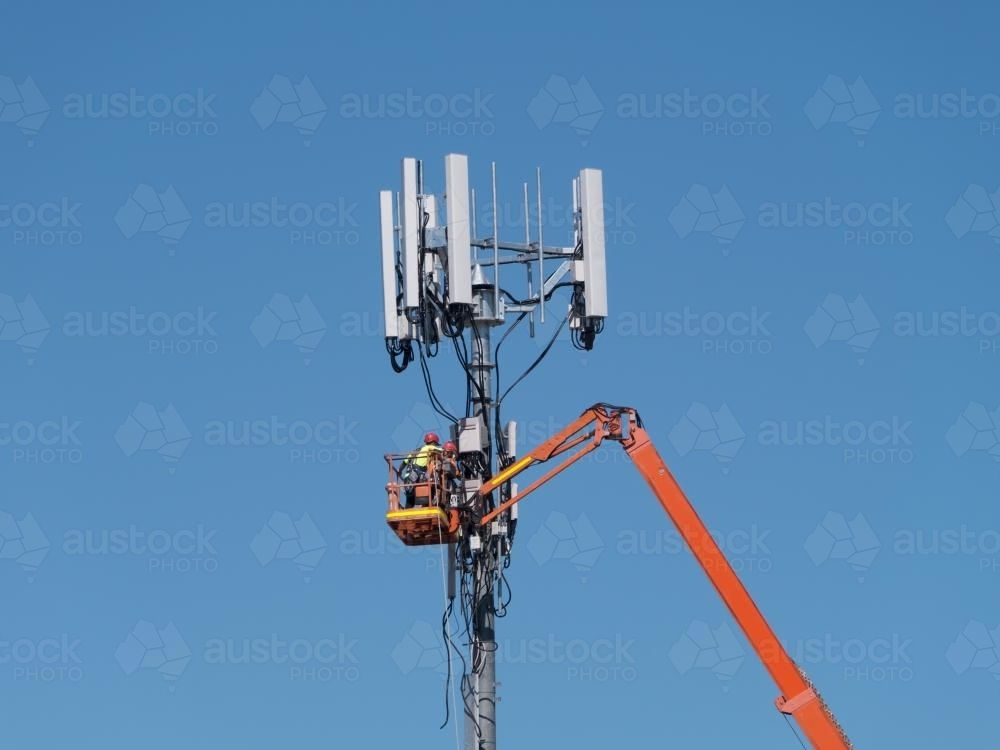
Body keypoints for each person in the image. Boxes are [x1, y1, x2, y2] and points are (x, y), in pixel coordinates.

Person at [401, 432, 441, 507]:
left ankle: (407, 509)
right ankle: (431, 502)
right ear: (433, 442)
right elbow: (440, 450)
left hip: (408, 479)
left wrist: (400, 471)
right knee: (431, 483)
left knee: (410, 496)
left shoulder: (417, 451)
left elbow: (404, 462)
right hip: (417, 475)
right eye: (435, 444)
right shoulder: (429, 448)